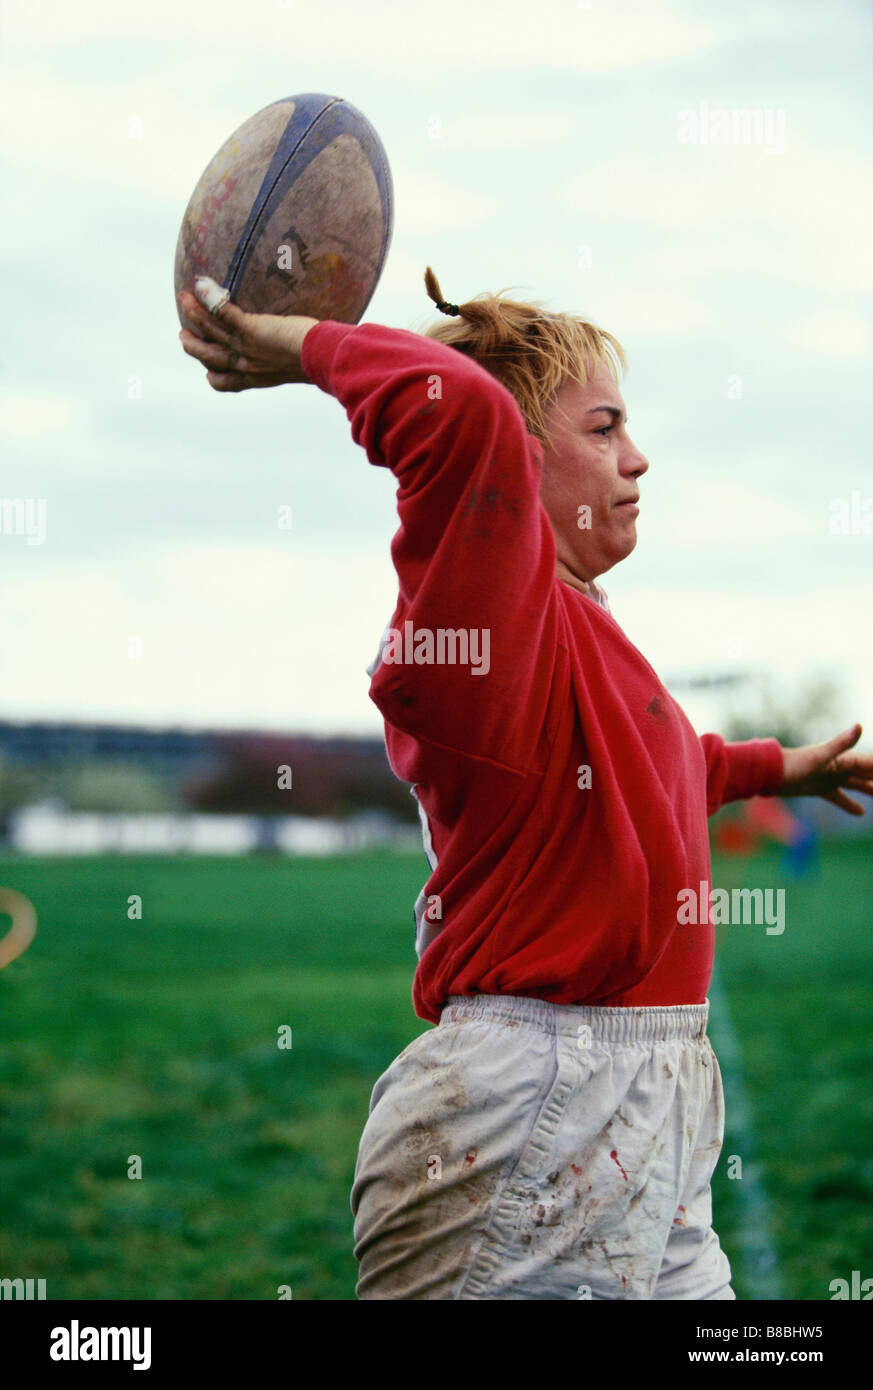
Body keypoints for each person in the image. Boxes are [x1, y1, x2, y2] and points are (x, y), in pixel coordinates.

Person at [178, 269, 873, 1300]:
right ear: (520, 455)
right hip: (532, 1115)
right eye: (604, 427)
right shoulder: (485, 630)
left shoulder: (579, 632)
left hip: (651, 1105)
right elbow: (457, 414)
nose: (637, 457)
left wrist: (783, 768)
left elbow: (664, 763)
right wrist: (303, 341)